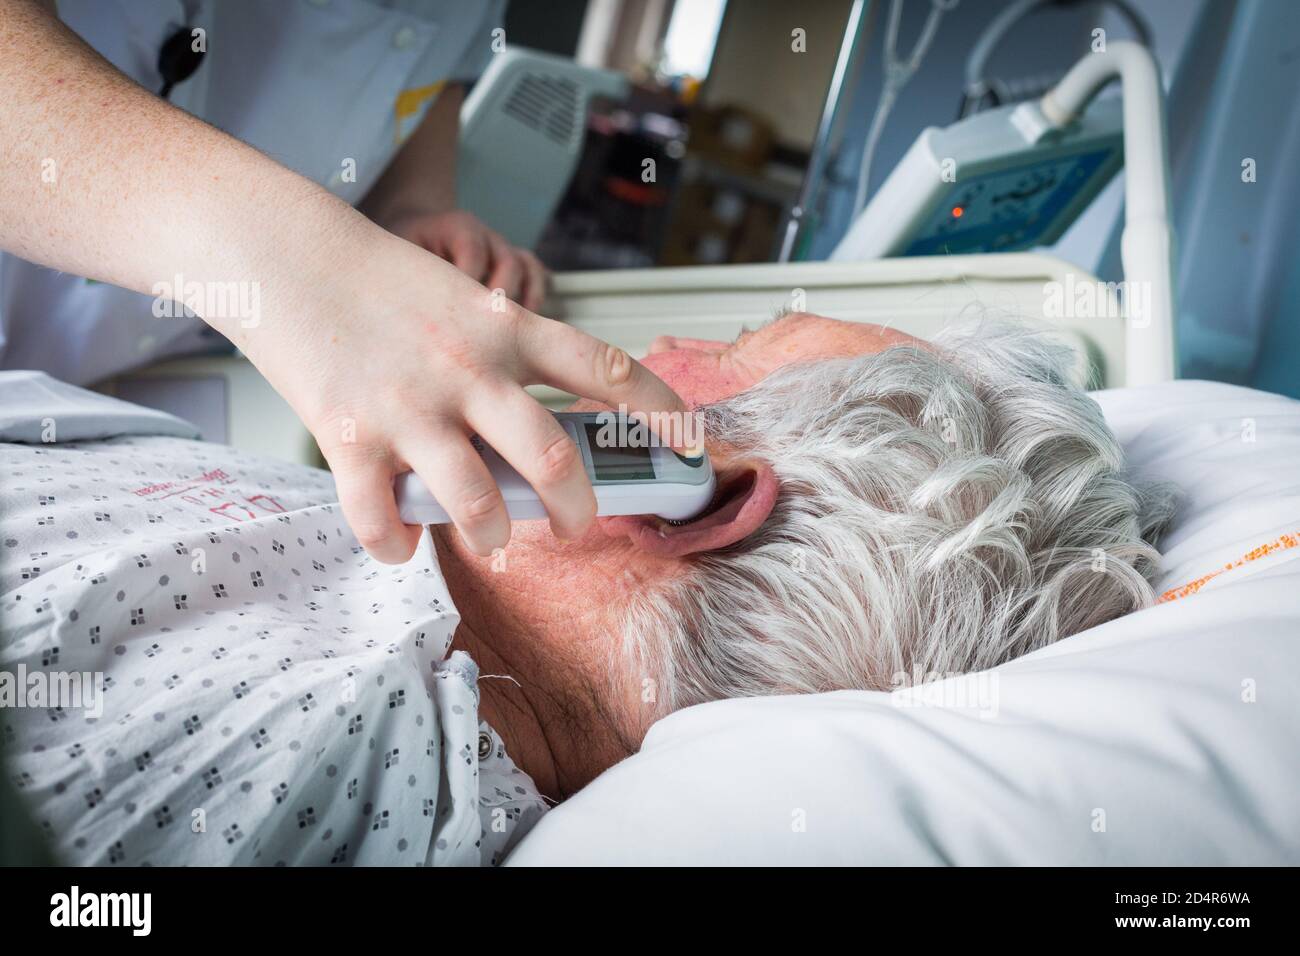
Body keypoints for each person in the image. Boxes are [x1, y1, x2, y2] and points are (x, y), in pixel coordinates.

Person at [0, 312, 1174, 864]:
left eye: (723, 346)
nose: (656, 340)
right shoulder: (385, 562)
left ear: (698, 494)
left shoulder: (294, 745)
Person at [0, 0, 691, 567]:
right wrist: (303, 267)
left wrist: (414, 220)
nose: (675, 342)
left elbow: (415, 131)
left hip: (108, 387)